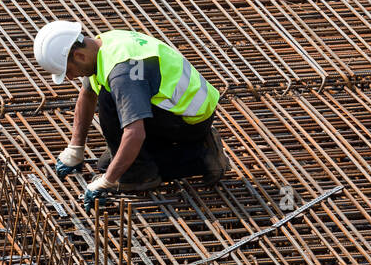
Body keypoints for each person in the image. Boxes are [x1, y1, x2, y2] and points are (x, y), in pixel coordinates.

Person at [33, 22, 228, 210]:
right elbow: (87, 92)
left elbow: (135, 133)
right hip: (174, 109)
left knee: (110, 103)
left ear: (79, 55)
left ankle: (203, 157)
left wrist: (107, 182)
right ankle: (141, 166)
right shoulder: (103, 45)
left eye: (68, 71)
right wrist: (75, 149)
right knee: (107, 164)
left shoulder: (122, 72)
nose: (69, 77)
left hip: (187, 120)